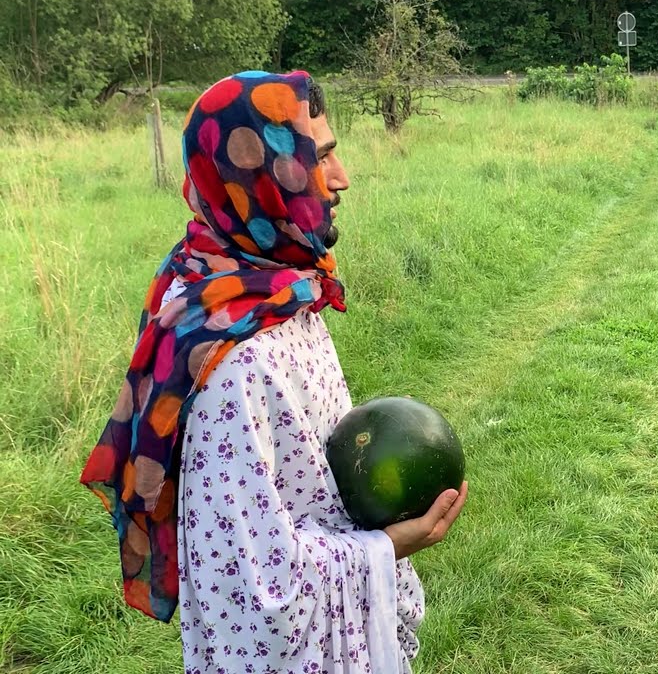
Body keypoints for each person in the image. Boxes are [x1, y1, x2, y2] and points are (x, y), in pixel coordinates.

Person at [79, 70, 468, 673]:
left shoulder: (257, 283)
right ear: (260, 180)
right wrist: (392, 545)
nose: (341, 178)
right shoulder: (233, 358)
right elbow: (254, 591)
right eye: (321, 159)